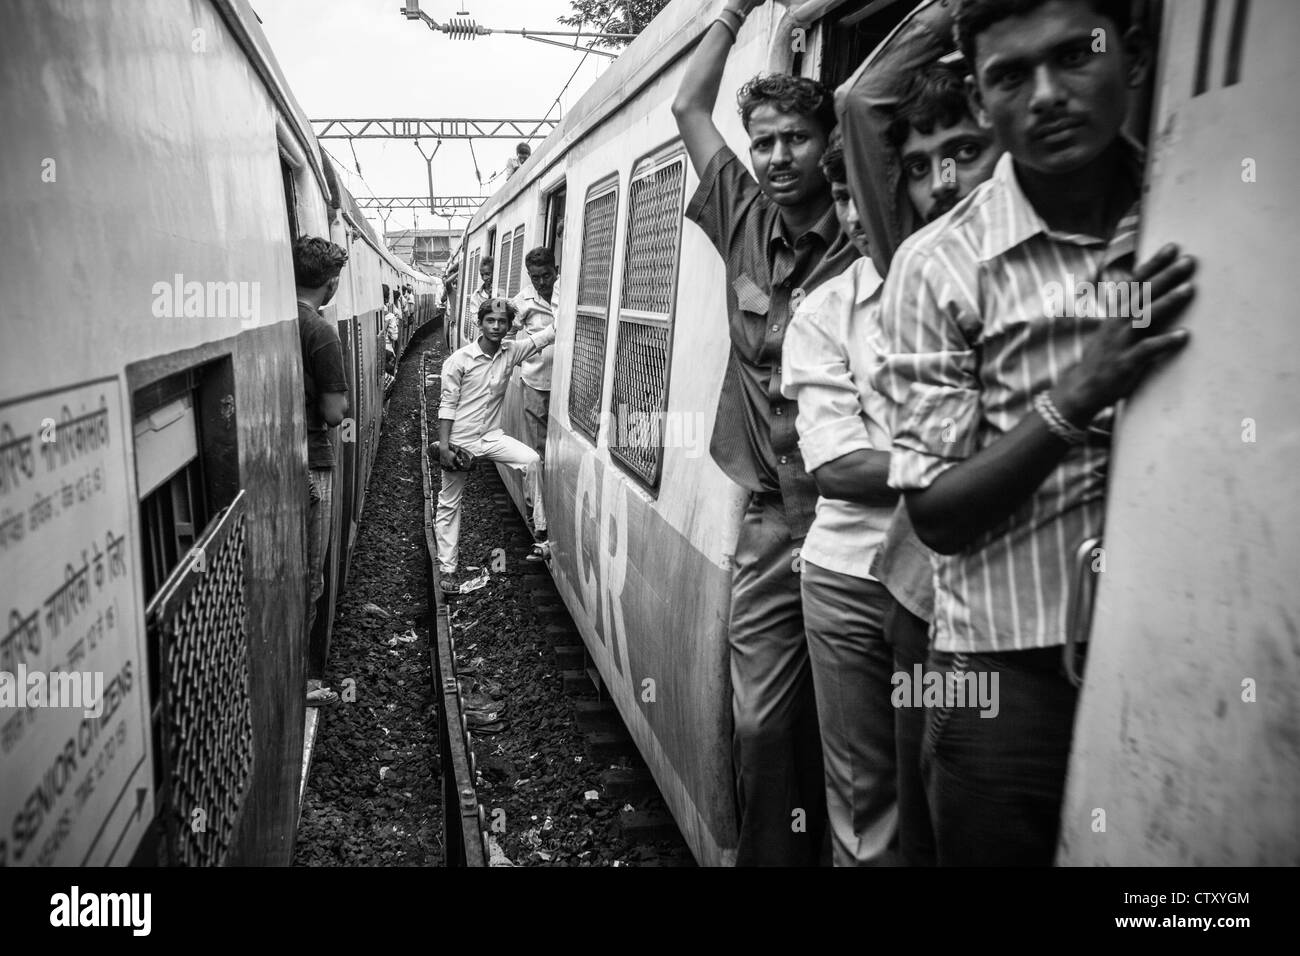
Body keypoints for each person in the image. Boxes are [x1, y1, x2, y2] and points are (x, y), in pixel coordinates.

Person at [871, 0, 1197, 865]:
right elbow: (936, 513)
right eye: (1013, 75)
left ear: (1130, 58)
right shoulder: (940, 266)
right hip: (1005, 678)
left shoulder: (1202, 209)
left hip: (1184, 651)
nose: (1047, 95)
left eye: (1072, 58)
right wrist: (1080, 392)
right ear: (982, 100)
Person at [673, 0, 858, 865]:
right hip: (769, 522)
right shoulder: (740, 216)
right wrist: (734, 10)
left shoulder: (868, 236)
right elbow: (687, 109)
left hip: (855, 520)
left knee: (859, 732)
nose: (779, 157)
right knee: (759, 724)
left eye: (796, 138)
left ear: (830, 144)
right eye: (765, 141)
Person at [836, 1, 1004, 866]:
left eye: (966, 150)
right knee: (923, 816)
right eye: (921, 165)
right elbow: (862, 107)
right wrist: (950, 12)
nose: (943, 180)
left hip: (1028, 618)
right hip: (924, 594)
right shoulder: (918, 254)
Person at [779, 127, 897, 865]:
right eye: (845, 197)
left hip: (951, 582)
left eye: (872, 191)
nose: (857, 215)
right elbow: (839, 468)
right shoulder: (827, 310)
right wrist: (991, 465)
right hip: (852, 576)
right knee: (864, 795)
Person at [436, 298, 555, 592]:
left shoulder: (511, 352)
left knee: (531, 461)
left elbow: (547, 335)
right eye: (491, 321)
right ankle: (448, 569)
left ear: (508, 326)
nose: (496, 327)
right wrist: (443, 446)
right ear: (481, 322)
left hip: (491, 437)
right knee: (449, 504)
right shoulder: (459, 361)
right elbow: (447, 406)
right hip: (460, 442)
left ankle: (539, 530)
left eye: (502, 322)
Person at [294, 235, 351, 707]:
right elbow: (335, 414)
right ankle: (303, 681)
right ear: (330, 284)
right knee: (311, 574)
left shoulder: (270, 317)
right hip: (313, 462)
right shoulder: (321, 332)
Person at [510, 247, 559, 462]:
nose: (542, 283)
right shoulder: (523, 300)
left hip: (568, 385)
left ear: (555, 270)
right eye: (535, 277)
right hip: (535, 384)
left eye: (546, 276)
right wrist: (519, 357)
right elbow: (505, 335)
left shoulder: (568, 290)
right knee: (535, 451)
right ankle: (536, 496)